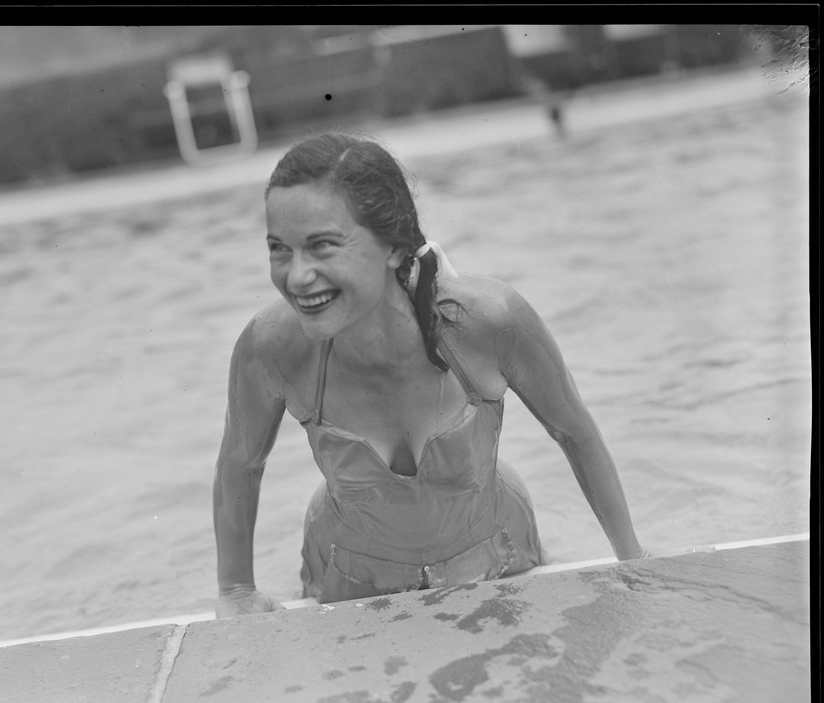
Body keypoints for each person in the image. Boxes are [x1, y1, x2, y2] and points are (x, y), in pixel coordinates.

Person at [214, 132, 647, 618]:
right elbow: (240, 462)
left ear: (395, 247)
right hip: (346, 571)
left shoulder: (491, 323)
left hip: (496, 550)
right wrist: (235, 590)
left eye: (323, 246)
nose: (296, 276)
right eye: (279, 249)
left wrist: (632, 559)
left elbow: (575, 432)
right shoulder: (270, 345)